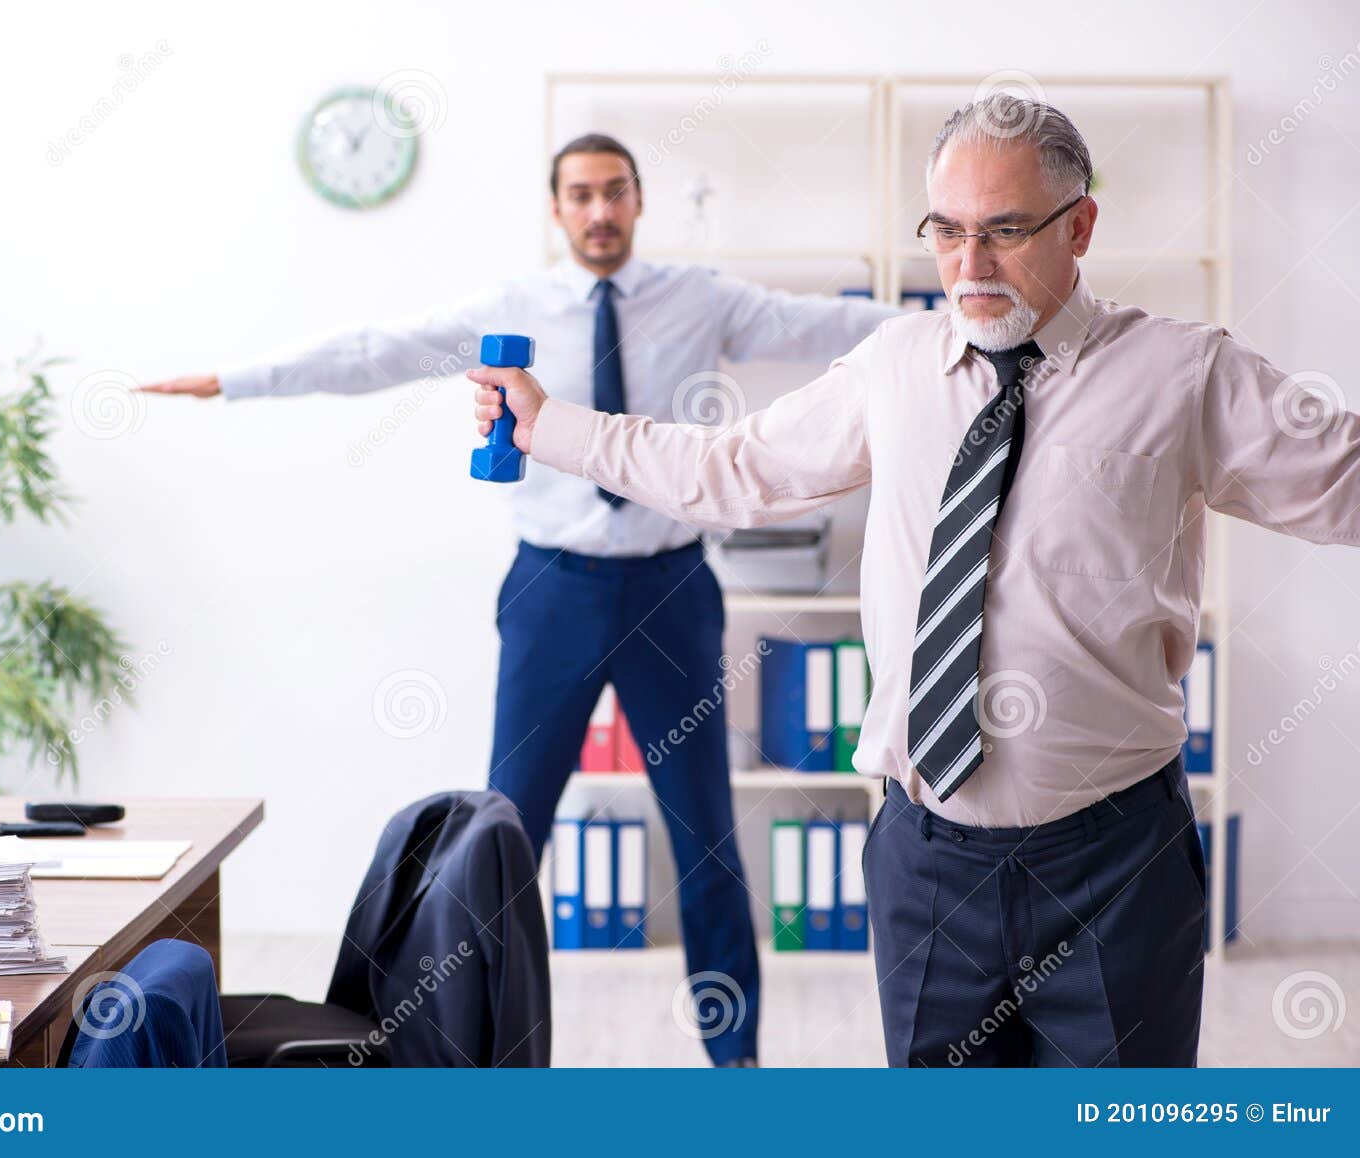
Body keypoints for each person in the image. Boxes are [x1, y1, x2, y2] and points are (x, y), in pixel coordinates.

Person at [469, 96, 1354, 1067]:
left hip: (1114, 870)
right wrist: (545, 423)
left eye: (1005, 231)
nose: (969, 267)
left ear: (1080, 226)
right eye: (946, 232)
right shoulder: (890, 367)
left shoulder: (1182, 374)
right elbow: (726, 469)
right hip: (925, 866)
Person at [138, 132, 899, 1066]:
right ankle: (478, 1059)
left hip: (672, 591)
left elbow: (822, 326)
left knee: (705, 839)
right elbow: (377, 352)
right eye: (580, 195)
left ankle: (734, 1060)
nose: (599, 211)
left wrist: (957, 321)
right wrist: (234, 382)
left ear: (638, 199)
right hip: (553, 592)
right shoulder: (514, 307)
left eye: (615, 192)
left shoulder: (698, 298)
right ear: (556, 207)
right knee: (503, 836)